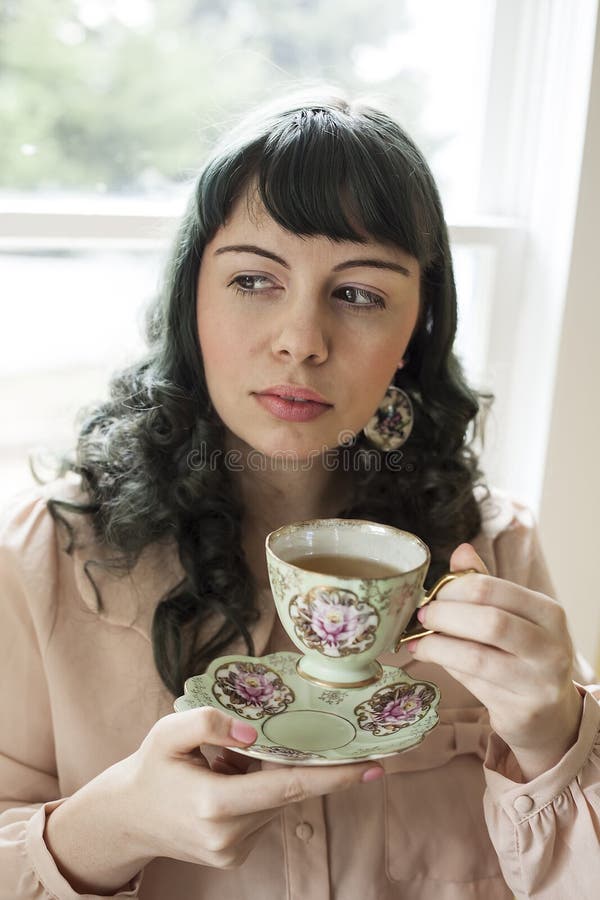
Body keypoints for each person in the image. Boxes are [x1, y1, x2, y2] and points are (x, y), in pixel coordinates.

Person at [1, 85, 599, 900]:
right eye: (254, 280)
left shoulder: (492, 552)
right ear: (191, 302)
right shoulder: (45, 560)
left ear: (416, 334)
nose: (301, 342)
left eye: (358, 294)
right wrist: (113, 827)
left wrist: (555, 739)